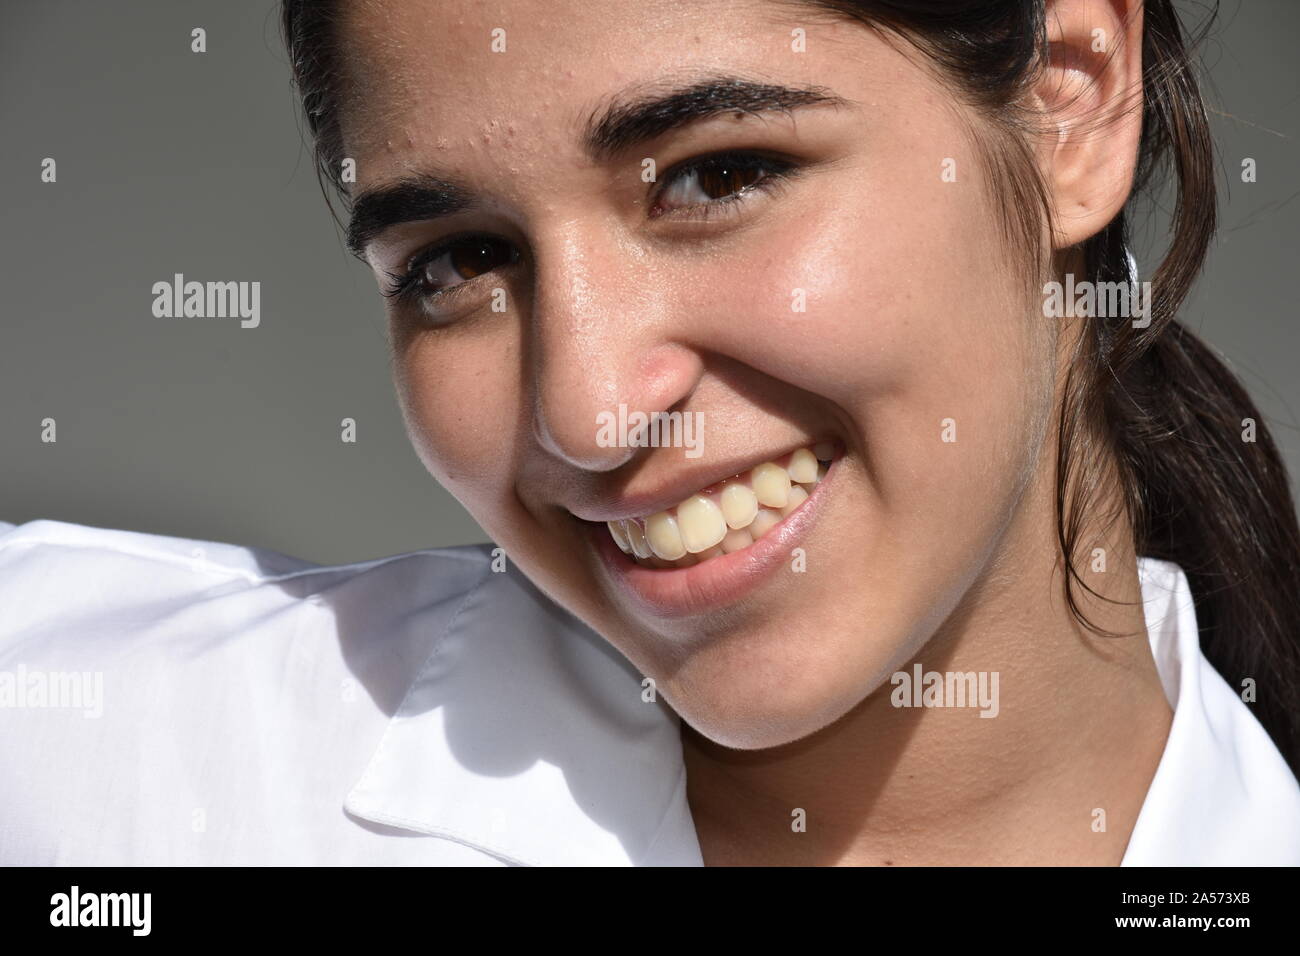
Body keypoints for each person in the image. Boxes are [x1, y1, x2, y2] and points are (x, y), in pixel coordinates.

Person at [2, 0, 1298, 866]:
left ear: (1073, 100)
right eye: (458, 260)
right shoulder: (100, 753)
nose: (585, 408)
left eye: (718, 175)